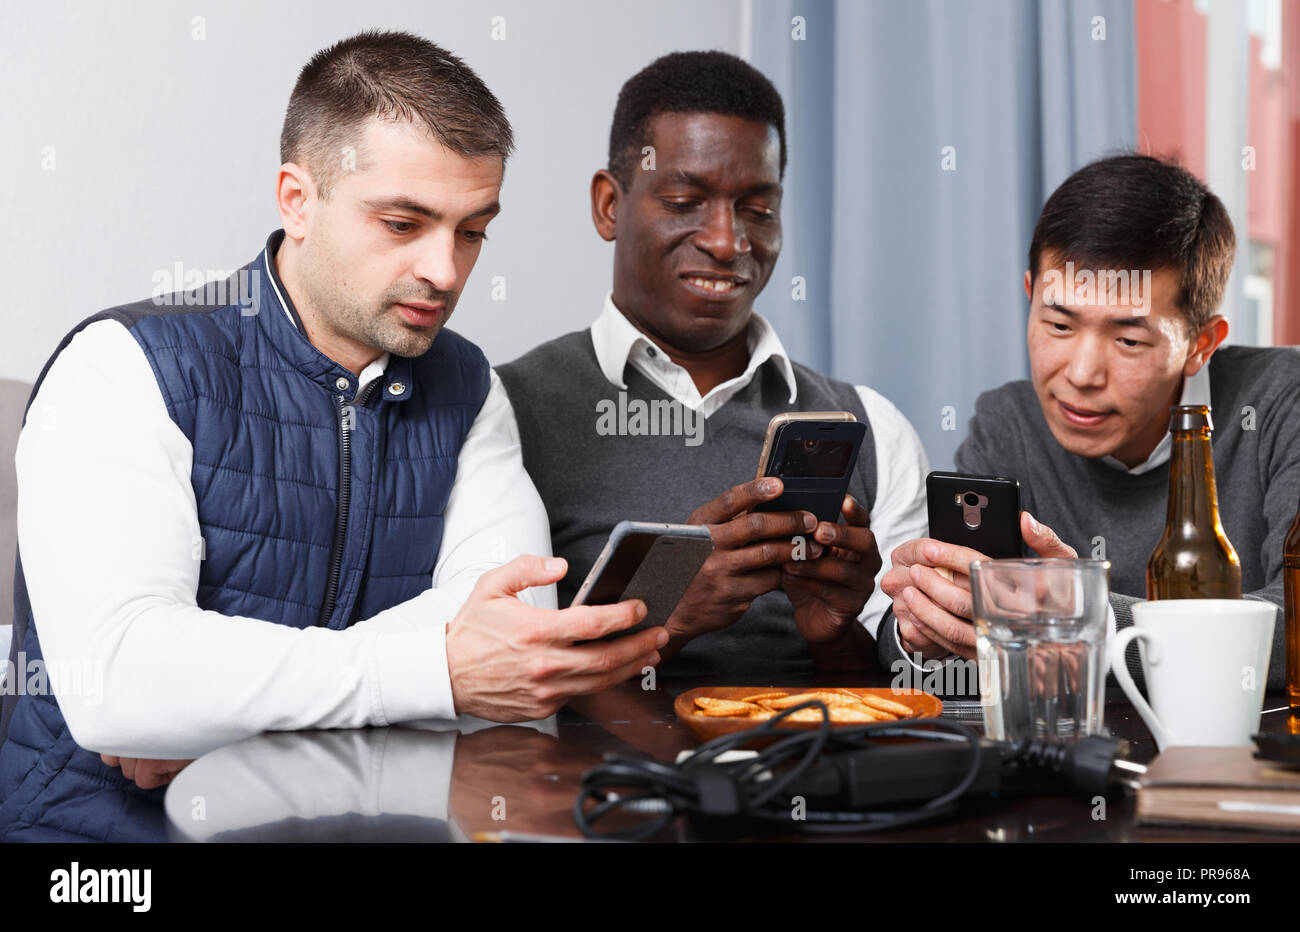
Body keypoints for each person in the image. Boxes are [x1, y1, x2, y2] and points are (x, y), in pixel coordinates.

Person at [0, 30, 662, 843]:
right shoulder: (120, 368)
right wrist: (433, 671)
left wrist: (219, 717)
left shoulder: (467, 387)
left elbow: (508, 655)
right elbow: (122, 684)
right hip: (104, 844)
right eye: (402, 222)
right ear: (296, 200)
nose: (446, 271)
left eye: (471, 230)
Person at [497, 51, 929, 676]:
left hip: (812, 770)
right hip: (592, 775)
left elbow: (906, 699)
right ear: (609, 206)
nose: (728, 242)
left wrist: (832, 631)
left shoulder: (872, 427)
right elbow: (494, 681)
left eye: (758, 210)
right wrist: (665, 614)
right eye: (684, 201)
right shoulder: (507, 413)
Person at [877, 154, 1300, 689]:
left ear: (1201, 344)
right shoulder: (1008, 423)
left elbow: (1298, 626)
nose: (1080, 374)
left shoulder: (1284, 400)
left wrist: (1077, 614)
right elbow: (946, 655)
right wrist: (919, 624)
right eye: (1058, 324)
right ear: (1031, 296)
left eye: (1127, 340)